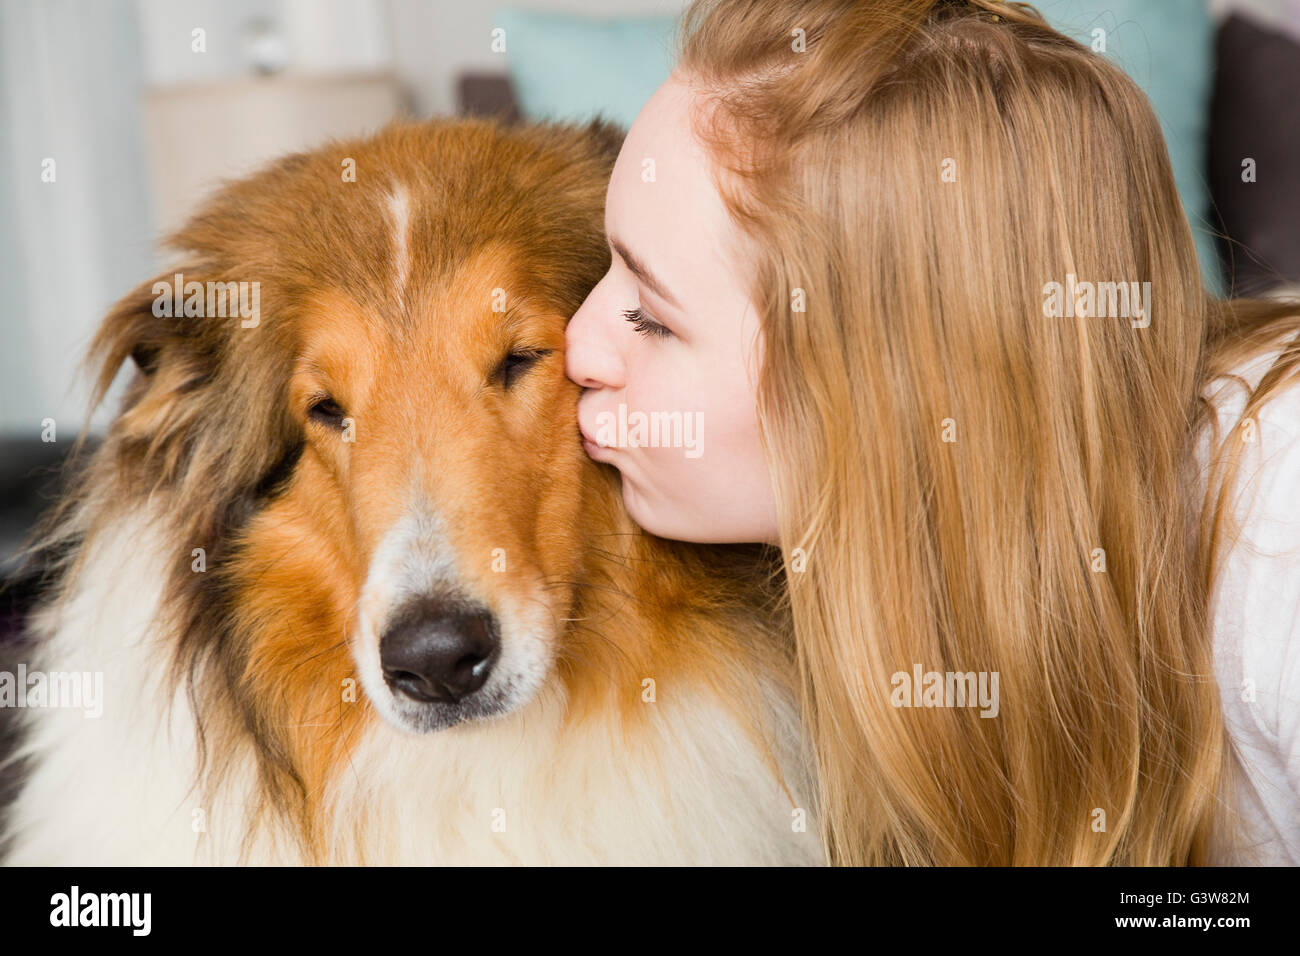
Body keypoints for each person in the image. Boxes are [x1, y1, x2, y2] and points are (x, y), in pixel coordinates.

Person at [564, 0, 1300, 865]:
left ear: (875, 388)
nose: (575, 343)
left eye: (651, 317)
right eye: (603, 266)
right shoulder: (884, 562)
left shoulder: (1276, 541)